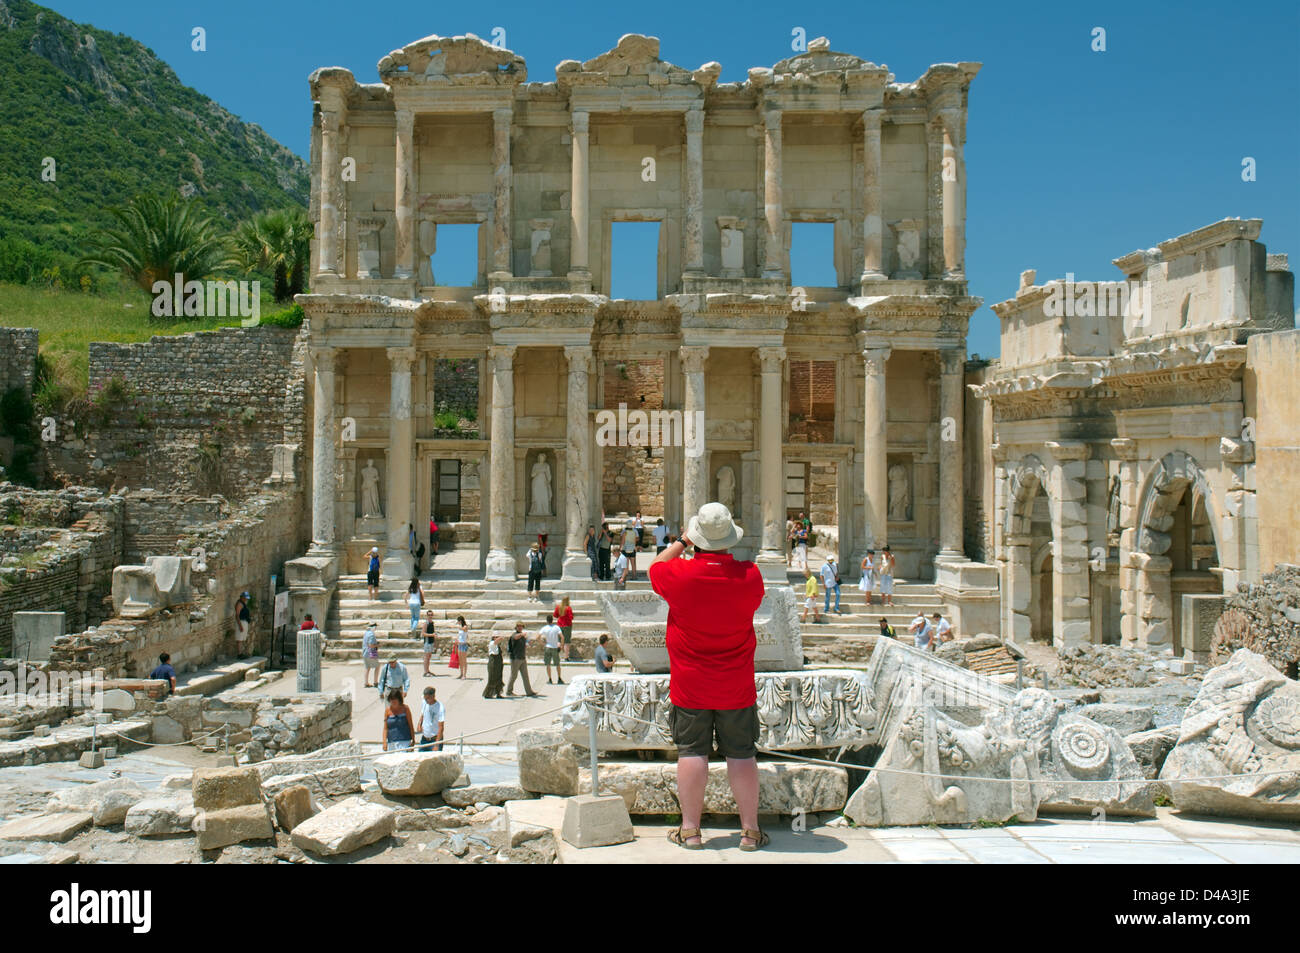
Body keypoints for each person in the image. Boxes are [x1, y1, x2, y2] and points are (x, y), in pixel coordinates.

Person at [650, 501, 767, 851]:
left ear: (696, 537)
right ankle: (750, 832)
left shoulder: (679, 575)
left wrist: (682, 541)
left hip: (691, 683)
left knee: (691, 753)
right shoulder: (750, 575)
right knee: (742, 755)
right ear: (730, 539)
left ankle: (690, 831)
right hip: (736, 684)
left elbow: (656, 565)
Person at [505, 622, 541, 697]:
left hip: (522, 658)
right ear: (516, 627)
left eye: (521, 626)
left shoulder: (523, 637)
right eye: (519, 626)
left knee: (525, 676)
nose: (520, 627)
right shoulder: (515, 635)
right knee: (514, 675)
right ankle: (509, 691)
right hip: (515, 658)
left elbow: (526, 644)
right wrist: (522, 634)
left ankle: (529, 692)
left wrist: (531, 640)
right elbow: (515, 637)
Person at [416, 686, 445, 751]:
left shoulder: (440, 708)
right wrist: (419, 724)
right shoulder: (424, 702)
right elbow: (422, 714)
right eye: (425, 698)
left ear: (433, 696)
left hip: (434, 740)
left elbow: (441, 727)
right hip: (424, 739)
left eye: (428, 698)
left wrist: (436, 745)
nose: (426, 700)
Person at [540, 617, 565, 685]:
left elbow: (538, 636)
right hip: (555, 647)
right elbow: (562, 637)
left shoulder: (545, 628)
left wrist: (543, 644)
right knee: (557, 664)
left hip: (548, 647)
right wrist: (562, 646)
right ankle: (559, 678)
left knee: (548, 664)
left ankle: (550, 679)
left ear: (547, 621)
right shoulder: (556, 627)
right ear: (552, 620)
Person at [482, 631, 506, 699]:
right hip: (493, 663)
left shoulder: (498, 646)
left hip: (498, 663)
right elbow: (496, 641)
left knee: (499, 678)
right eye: (495, 637)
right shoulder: (492, 643)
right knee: (492, 678)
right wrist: (500, 637)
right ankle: (488, 693)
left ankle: (498, 693)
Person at [554, 597, 576, 661]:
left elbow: (555, 615)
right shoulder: (568, 608)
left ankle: (556, 655)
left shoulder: (558, 607)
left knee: (559, 640)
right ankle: (566, 657)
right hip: (567, 626)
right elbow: (571, 617)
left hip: (559, 625)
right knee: (567, 641)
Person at [361, 622, 380, 687]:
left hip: (365, 653)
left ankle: (366, 683)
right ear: (374, 627)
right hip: (371, 653)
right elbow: (371, 645)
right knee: (377, 666)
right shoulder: (371, 635)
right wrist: (377, 645)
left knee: (367, 667)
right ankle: (375, 682)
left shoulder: (366, 633)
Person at [234, 592, 252, 659]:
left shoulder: (243, 604)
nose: (246, 599)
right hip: (241, 622)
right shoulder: (239, 604)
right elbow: (237, 615)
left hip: (244, 621)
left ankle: (242, 653)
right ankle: (239, 654)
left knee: (242, 638)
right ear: (242, 597)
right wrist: (240, 625)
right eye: (245, 598)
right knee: (239, 639)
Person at [421, 611, 437, 676]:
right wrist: (432, 635)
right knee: (426, 657)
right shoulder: (426, 623)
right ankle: (425, 671)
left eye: (431, 615)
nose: (430, 616)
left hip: (431, 641)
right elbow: (423, 633)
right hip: (427, 642)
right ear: (427, 616)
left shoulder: (432, 623)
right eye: (429, 615)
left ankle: (427, 670)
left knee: (429, 657)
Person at [455, 615, 470, 679]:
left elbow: (464, 630)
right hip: (460, 644)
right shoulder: (460, 627)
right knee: (460, 660)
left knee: (464, 660)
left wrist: (458, 626)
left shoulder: (465, 627)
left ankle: (464, 675)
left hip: (463, 644)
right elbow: (460, 635)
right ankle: (461, 674)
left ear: (460, 621)